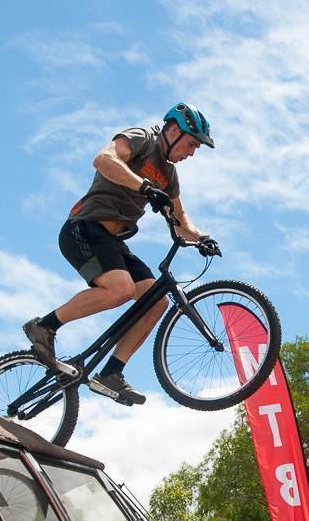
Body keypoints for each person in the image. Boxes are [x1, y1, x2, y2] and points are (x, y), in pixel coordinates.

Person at [22, 103, 220, 406]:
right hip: (84, 229)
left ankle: (111, 373)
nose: (192, 153)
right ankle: (45, 325)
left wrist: (201, 237)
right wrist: (143, 186)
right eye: (192, 144)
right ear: (173, 130)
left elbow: (180, 218)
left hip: (113, 243)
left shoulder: (169, 174)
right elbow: (104, 159)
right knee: (121, 289)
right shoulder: (144, 139)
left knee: (156, 301)